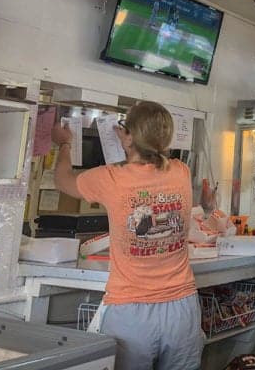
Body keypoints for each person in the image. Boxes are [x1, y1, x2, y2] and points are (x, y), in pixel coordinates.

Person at [51, 101, 202, 370]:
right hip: (182, 310)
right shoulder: (181, 172)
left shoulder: (111, 178)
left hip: (131, 311)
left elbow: (62, 180)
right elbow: (152, 157)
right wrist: (131, 141)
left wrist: (63, 144)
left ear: (129, 135)